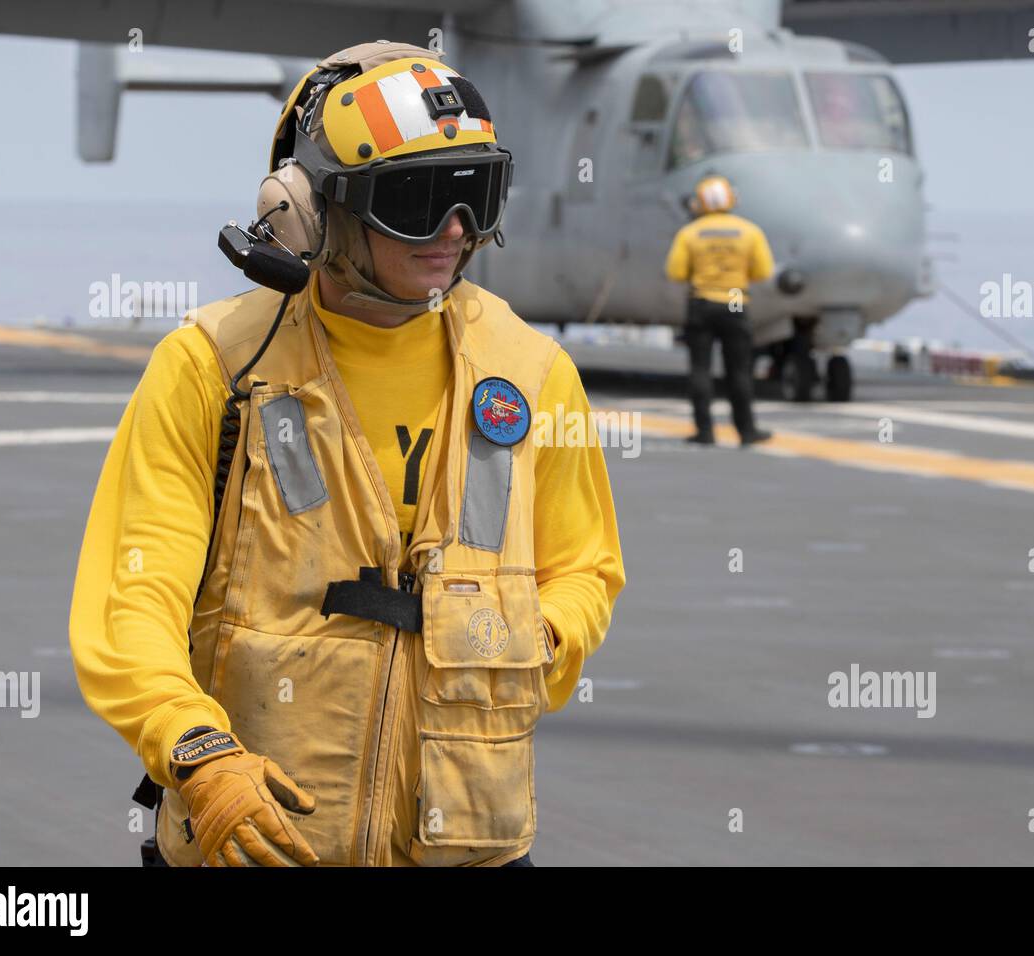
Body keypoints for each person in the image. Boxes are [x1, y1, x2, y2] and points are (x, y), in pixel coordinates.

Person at [68, 40, 625, 867]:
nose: (454, 232)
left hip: (468, 847)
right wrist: (194, 751)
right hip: (257, 841)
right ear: (308, 210)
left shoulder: (532, 373)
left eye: (475, 194)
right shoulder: (213, 367)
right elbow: (132, 600)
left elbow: (586, 567)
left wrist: (536, 639)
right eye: (417, 200)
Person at [664, 174, 775, 446]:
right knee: (738, 370)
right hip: (735, 300)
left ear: (698, 202)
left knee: (700, 369)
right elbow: (763, 271)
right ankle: (747, 431)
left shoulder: (690, 233)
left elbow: (675, 272)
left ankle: (705, 431)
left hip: (701, 302)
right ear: (732, 199)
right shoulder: (749, 231)